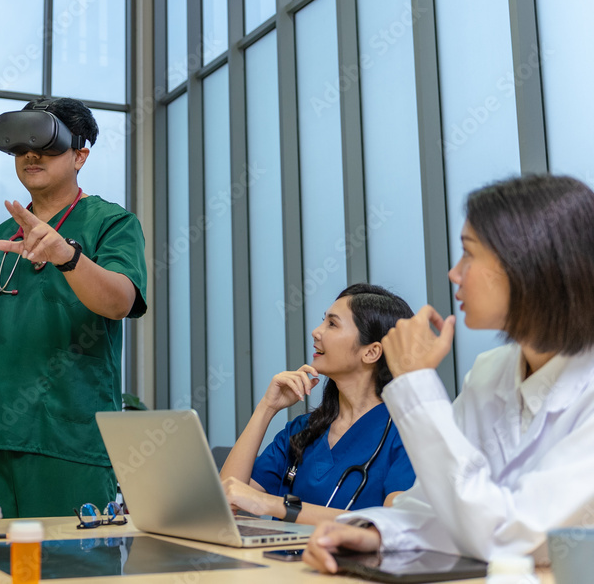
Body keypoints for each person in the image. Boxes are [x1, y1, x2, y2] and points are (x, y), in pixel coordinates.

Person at [304, 174, 594, 573]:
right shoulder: (490, 372)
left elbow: (507, 537)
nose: (454, 273)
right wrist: (375, 534)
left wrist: (416, 385)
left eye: (469, 254)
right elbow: (438, 506)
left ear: (528, 265)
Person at [0, 97, 147, 518]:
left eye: (46, 142)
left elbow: (121, 302)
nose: (31, 154)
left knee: (72, 572)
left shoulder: (111, 223)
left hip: (70, 440)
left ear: (80, 155)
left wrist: (68, 257)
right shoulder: (4, 235)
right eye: (21, 145)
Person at [221, 283, 416, 524]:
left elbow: (397, 525)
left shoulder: (408, 432)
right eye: (323, 321)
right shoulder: (302, 430)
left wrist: (275, 505)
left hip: (348, 563)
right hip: (278, 562)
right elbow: (224, 502)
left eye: (332, 324)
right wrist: (266, 408)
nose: (316, 331)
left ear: (371, 352)